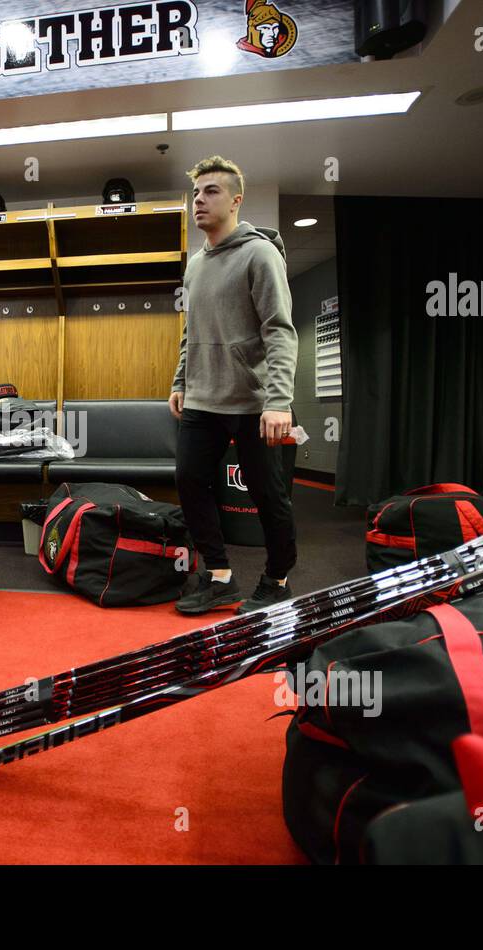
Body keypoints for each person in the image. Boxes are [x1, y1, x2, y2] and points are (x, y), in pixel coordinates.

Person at [170, 156, 298, 614]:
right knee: (188, 479)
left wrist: (279, 400)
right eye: (196, 193)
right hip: (204, 398)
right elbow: (191, 329)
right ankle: (220, 575)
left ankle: (278, 578)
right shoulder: (196, 264)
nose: (199, 201)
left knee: (268, 494)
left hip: (256, 402)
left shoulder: (259, 253)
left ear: (236, 200)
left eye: (211, 191)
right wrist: (181, 379)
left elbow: (279, 330)